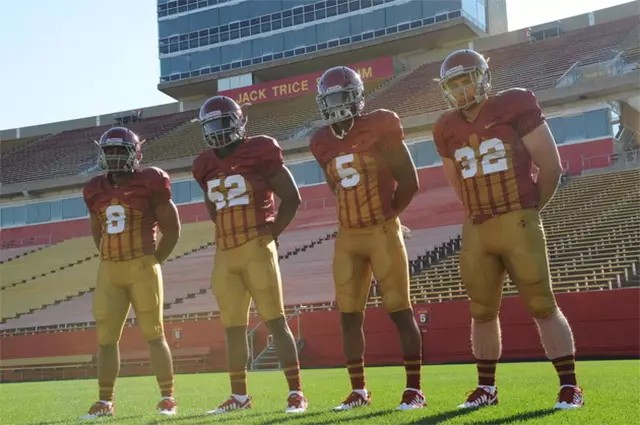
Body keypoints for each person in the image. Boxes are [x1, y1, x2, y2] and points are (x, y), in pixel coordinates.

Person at [432, 49, 584, 409]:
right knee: (481, 311)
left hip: (516, 217)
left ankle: (569, 386)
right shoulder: (445, 126)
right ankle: (487, 388)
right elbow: (456, 184)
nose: (463, 88)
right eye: (455, 83)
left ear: (483, 77)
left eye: (467, 78)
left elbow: (551, 166)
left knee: (543, 305)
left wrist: (528, 210)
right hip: (477, 227)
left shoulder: (513, 104)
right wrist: (480, 213)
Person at [310, 66, 426, 411]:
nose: (337, 104)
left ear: (358, 96)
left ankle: (414, 389)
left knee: (400, 311)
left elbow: (409, 179)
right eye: (330, 99)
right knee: (348, 316)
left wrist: (390, 215)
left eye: (343, 96)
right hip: (348, 236)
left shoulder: (379, 125)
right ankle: (359, 390)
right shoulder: (321, 141)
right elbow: (335, 186)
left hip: (381, 231)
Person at [192, 95, 308, 414]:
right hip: (225, 252)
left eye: (224, 122)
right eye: (212, 124)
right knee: (232, 328)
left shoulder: (259, 150)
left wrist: (270, 233)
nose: (218, 129)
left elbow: (292, 198)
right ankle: (239, 396)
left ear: (240, 122)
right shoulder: (204, 164)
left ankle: (296, 392)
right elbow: (213, 206)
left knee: (275, 321)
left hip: (256, 245)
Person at [81, 127, 181, 419]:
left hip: (141, 265)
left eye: (119, 151)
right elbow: (97, 233)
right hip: (110, 269)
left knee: (154, 333)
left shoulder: (151, 180)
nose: (113, 157)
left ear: (134, 154)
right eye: (108, 151)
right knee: (106, 338)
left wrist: (152, 261)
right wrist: (112, 258)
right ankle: (104, 401)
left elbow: (172, 229)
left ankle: (167, 398)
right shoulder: (94, 188)